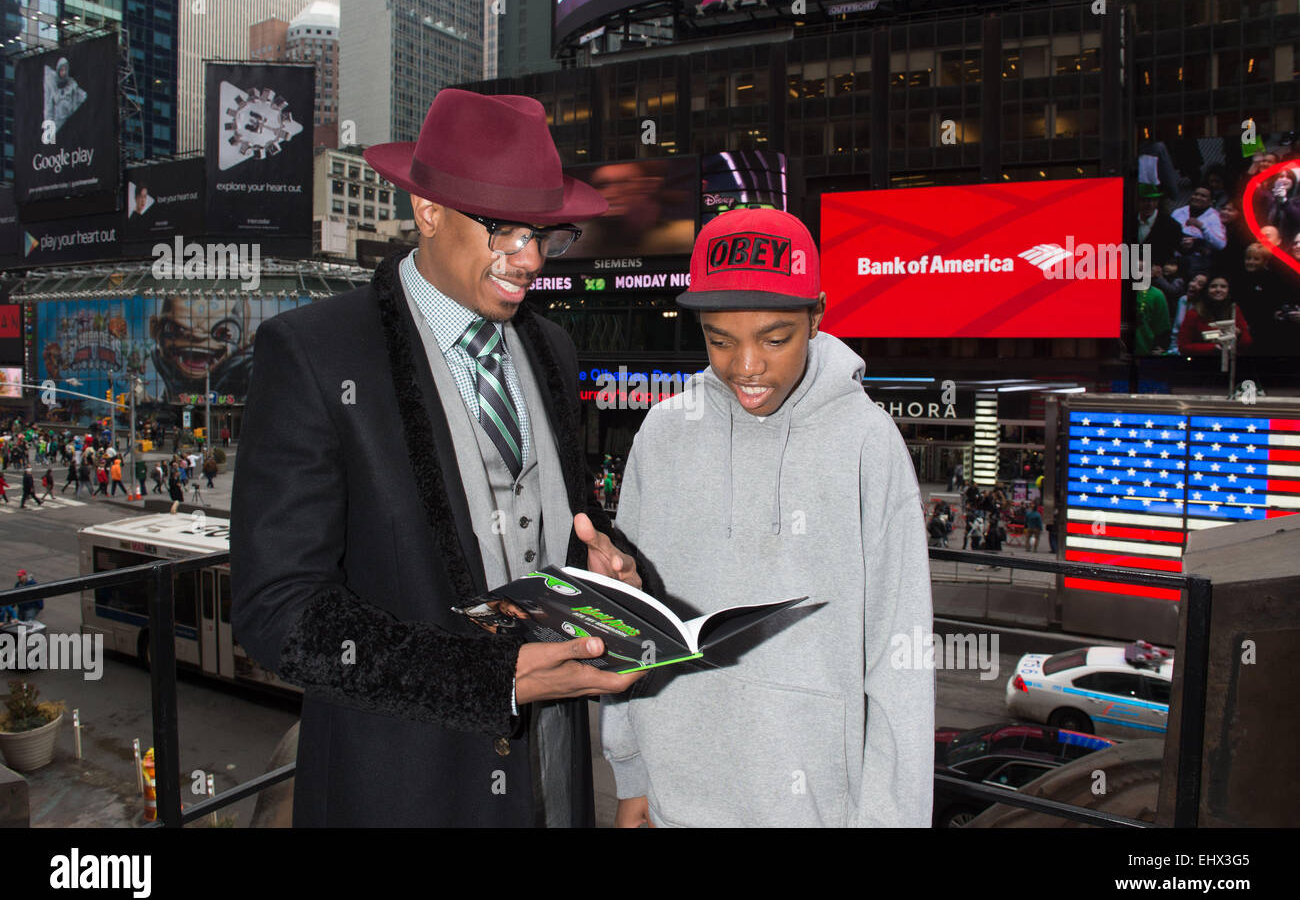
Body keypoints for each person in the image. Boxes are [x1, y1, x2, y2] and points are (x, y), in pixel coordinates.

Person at [230, 88, 652, 828]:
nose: (529, 259)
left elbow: (545, 529)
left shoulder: (552, 349)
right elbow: (277, 612)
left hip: (553, 781)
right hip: (401, 792)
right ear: (427, 210)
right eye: (503, 229)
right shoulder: (315, 354)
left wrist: (603, 573)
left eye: (544, 233)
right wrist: (490, 678)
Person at [600, 209, 934, 828]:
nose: (745, 365)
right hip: (673, 799)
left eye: (774, 338)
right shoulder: (664, 433)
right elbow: (632, 618)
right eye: (719, 339)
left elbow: (900, 658)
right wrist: (631, 771)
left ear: (818, 315)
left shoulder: (867, 441)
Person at [1178, 276, 1253, 356]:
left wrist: (1240, 334)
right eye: (1213, 286)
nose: (1218, 290)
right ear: (1206, 290)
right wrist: (1213, 348)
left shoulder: (1234, 310)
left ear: (1229, 290)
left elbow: (1247, 342)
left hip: (1230, 360)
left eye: (1223, 287)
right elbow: (1183, 347)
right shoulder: (1194, 313)